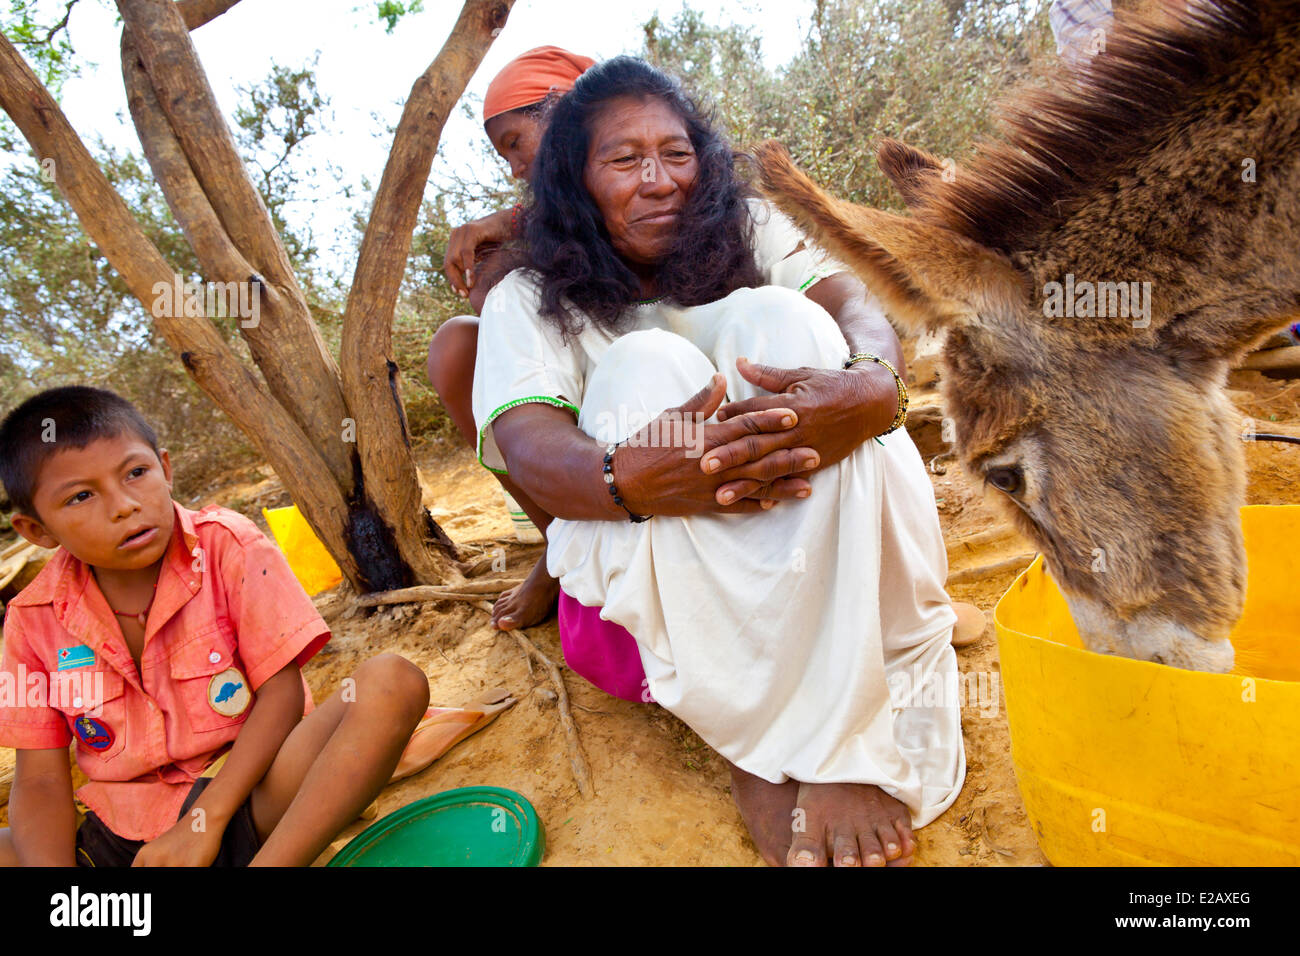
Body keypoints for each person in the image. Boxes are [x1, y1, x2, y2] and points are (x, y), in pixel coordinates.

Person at [472, 56, 966, 866]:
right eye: (623, 160)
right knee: (642, 373)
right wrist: (623, 477)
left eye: (676, 152)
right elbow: (527, 443)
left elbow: (855, 304)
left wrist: (875, 382)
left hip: (800, 497)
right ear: (573, 181)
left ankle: (834, 734)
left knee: (794, 325)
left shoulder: (751, 224)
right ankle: (750, 730)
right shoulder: (525, 297)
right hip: (651, 542)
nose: (660, 180)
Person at [0, 387, 431, 866]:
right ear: (37, 531)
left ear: (164, 469)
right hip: (123, 837)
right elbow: (39, 780)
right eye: (81, 496)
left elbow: (281, 697)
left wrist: (203, 823)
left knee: (390, 682)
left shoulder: (229, 546)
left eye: (136, 474)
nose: (123, 505)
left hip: (249, 798)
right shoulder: (29, 619)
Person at [427, 46, 596, 634]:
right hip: (570, 393)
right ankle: (562, 545)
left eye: (515, 143)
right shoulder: (547, 208)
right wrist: (497, 225)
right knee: (456, 347)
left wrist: (499, 232)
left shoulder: (644, 169)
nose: (514, 167)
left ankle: (589, 537)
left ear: (565, 113)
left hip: (648, 385)